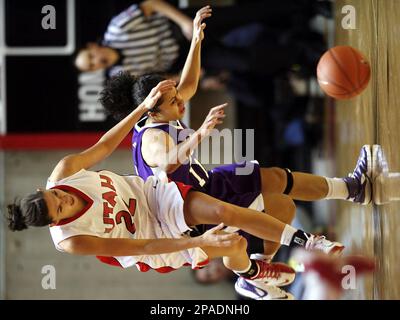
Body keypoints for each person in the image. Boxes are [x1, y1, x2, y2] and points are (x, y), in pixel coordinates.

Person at [6, 78, 344, 301]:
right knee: (234, 241)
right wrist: (196, 242)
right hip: (150, 238)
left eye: (57, 195)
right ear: (56, 222)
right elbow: (142, 245)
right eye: (61, 207)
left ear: (46, 187)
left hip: (152, 195)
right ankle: (250, 275)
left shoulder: (64, 171)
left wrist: (140, 107)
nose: (64, 198)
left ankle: (307, 241)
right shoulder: (72, 240)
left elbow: (105, 145)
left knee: (228, 212)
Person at [74, 1, 330, 79]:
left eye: (91, 57)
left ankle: (308, 6)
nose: (97, 62)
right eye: (92, 66)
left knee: (247, 13)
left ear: (93, 47)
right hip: (190, 56)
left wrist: (185, 22)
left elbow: (150, 4)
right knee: (246, 63)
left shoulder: (117, 28)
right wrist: (190, 77)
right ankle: (303, 52)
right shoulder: (120, 73)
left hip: (184, 27)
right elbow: (157, 77)